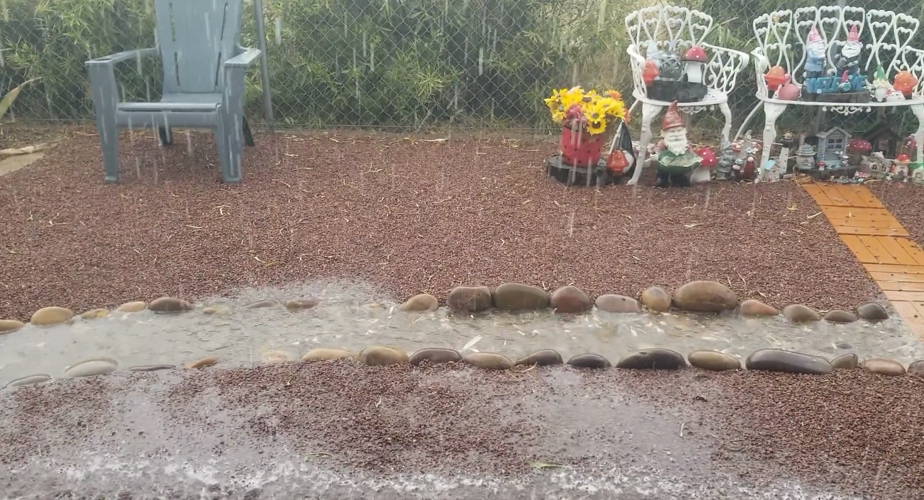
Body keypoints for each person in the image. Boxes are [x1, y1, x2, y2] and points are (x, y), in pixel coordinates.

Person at [655, 101, 703, 188]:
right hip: (665, 164)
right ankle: (663, 179)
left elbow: (691, 153)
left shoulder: (683, 143)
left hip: (680, 163)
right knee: (662, 168)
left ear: (684, 131)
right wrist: (657, 153)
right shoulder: (664, 143)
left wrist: (691, 153)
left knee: (681, 168)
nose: (676, 134)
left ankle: (678, 178)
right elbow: (657, 151)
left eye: (679, 131)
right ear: (664, 133)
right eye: (672, 131)